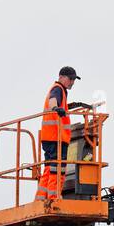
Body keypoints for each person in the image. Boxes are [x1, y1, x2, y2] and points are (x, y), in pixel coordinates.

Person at [36, 66, 83, 201]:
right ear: (61, 77)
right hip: (56, 138)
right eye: (70, 79)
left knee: (49, 168)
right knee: (58, 168)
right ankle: (54, 197)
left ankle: (41, 198)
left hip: (49, 137)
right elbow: (53, 100)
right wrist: (56, 108)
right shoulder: (58, 89)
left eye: (74, 80)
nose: (72, 82)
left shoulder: (59, 90)